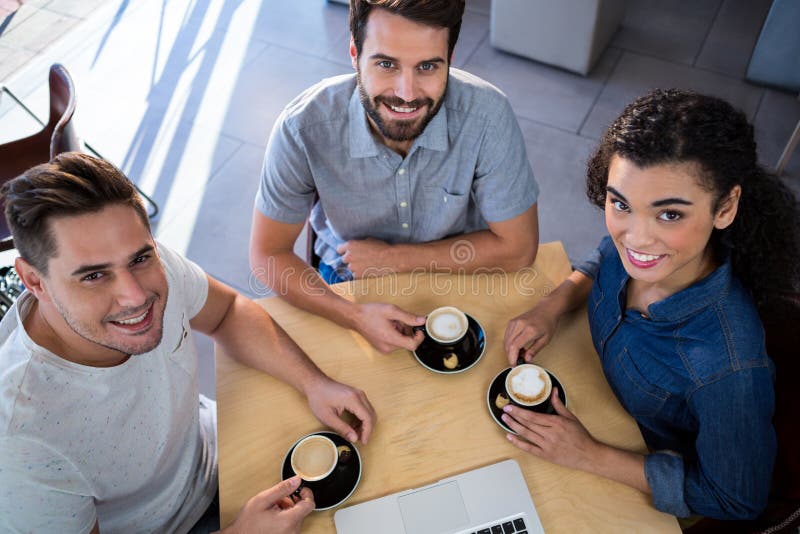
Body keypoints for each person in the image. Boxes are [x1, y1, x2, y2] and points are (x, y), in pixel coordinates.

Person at [0, 153, 377, 533]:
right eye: (94, 276)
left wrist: (314, 383)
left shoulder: (153, 265)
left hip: (218, 449)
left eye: (140, 258)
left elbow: (227, 311)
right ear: (34, 282)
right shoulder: (20, 438)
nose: (135, 296)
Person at [501, 89, 800, 520]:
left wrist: (588, 454)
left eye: (670, 215)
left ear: (726, 207)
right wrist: (553, 303)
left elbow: (736, 498)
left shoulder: (727, 370)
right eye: (620, 204)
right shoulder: (645, 253)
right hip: (590, 394)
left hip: (628, 468)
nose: (636, 239)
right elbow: (604, 255)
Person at [249, 0, 540, 354]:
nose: (406, 93)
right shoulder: (302, 127)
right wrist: (353, 315)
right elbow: (268, 254)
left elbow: (518, 249)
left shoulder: (489, 117)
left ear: (450, 59)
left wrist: (394, 259)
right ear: (355, 54)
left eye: (428, 66)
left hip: (464, 272)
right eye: (386, 64)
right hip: (347, 283)